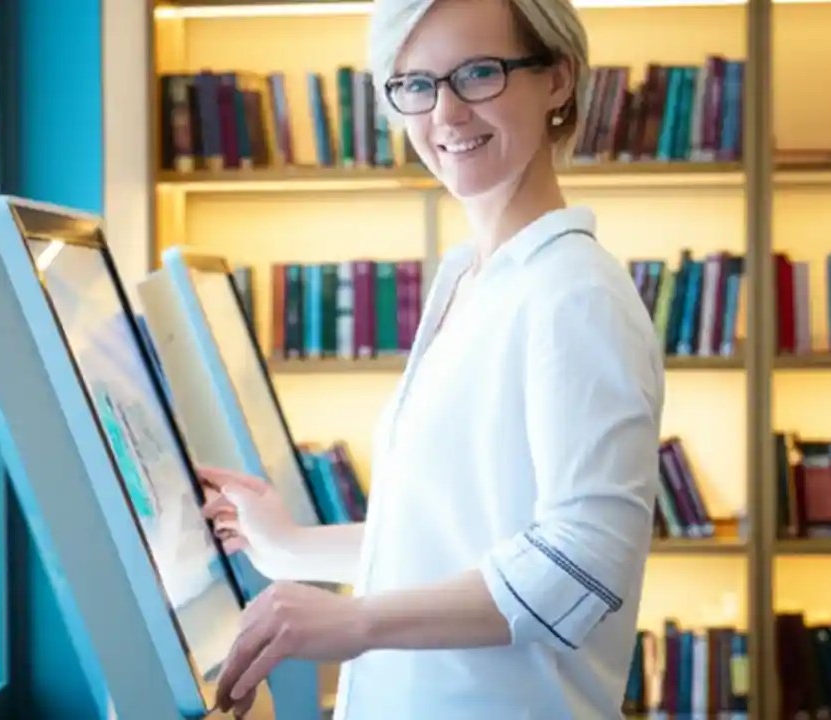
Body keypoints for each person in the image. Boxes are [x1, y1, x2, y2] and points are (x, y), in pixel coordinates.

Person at [197, 0, 665, 717]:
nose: (445, 114)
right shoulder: (471, 280)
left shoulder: (574, 293)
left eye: (479, 73)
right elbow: (454, 539)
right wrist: (290, 548)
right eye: (415, 84)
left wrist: (357, 623)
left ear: (558, 80)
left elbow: (580, 565)